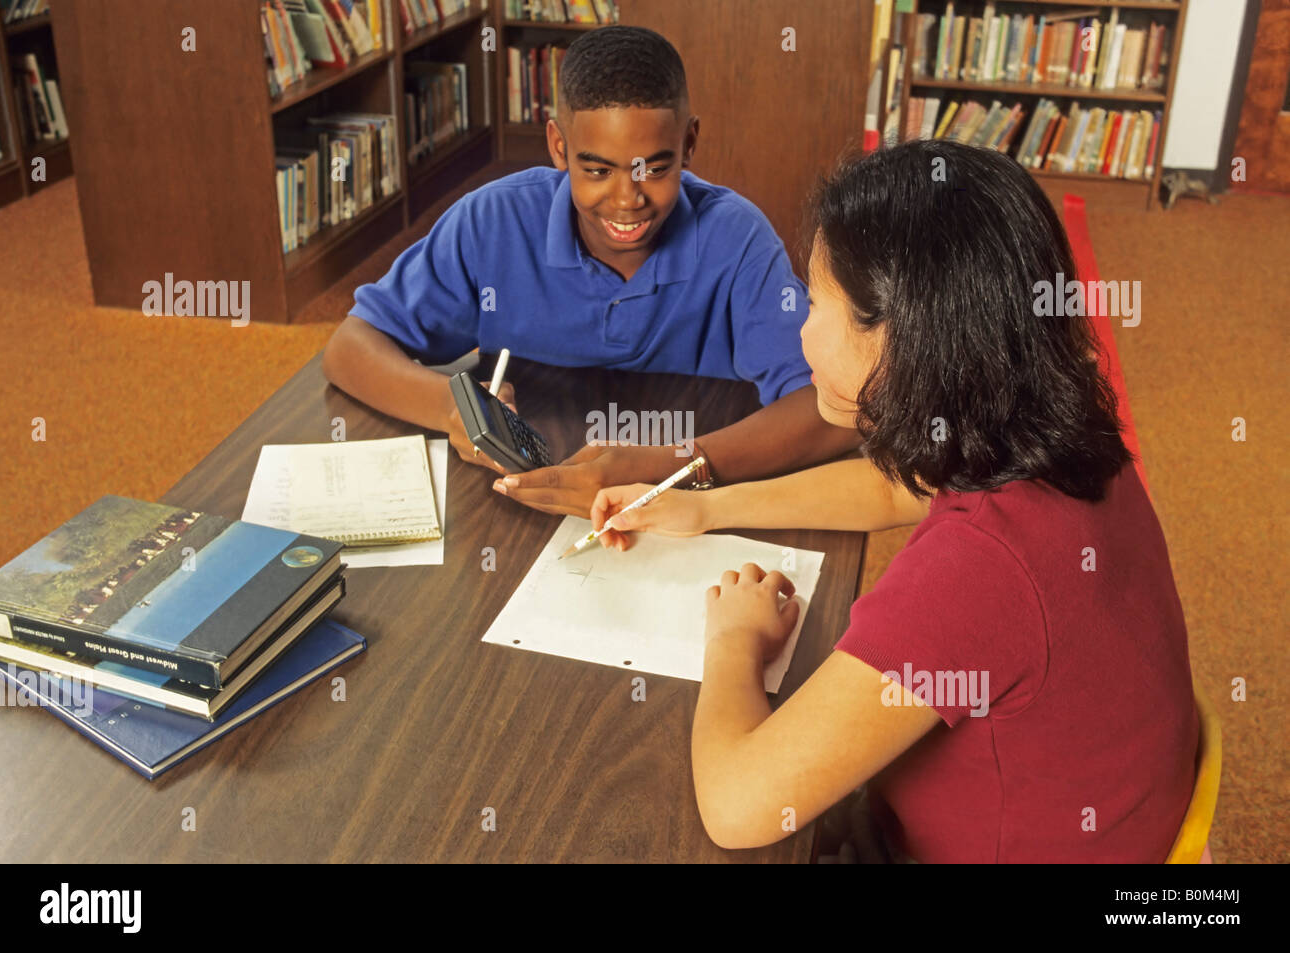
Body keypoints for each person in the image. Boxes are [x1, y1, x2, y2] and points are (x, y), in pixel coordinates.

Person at [587, 140, 1199, 862]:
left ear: (904, 338)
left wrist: (734, 641)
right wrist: (709, 506)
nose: (801, 330)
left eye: (815, 302)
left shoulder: (982, 565)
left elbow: (737, 804)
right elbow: (894, 484)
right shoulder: (1053, 434)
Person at [322, 26, 856, 517]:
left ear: (689, 143)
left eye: (656, 168)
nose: (627, 199)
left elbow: (832, 412)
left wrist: (667, 465)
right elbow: (351, 346)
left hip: (686, 506)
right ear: (559, 146)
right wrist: (451, 409)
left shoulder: (738, 240)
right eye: (596, 169)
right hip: (518, 504)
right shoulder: (492, 222)